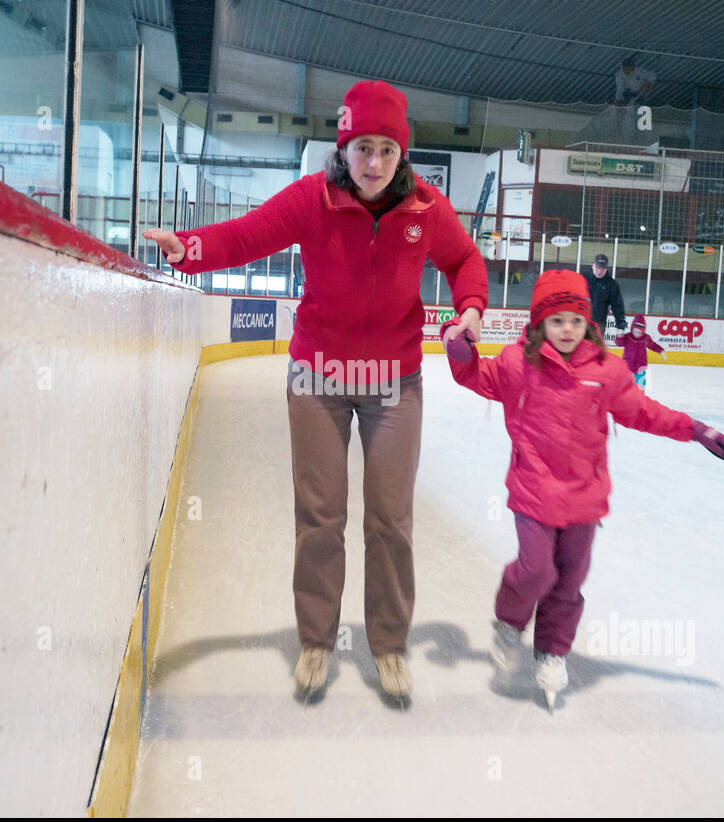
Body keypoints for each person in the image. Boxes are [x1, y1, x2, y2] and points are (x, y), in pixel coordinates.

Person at [143, 79, 488, 703]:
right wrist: (189, 249)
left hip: (393, 383)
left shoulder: (426, 211)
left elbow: (465, 261)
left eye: (387, 149)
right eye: (363, 149)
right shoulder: (314, 199)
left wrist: (470, 309)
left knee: (390, 518)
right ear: (344, 147)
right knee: (321, 517)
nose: (375, 163)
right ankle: (317, 640)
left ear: (402, 153)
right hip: (317, 379)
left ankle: (386, 645)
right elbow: (248, 235)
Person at [439, 270, 724, 708]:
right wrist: (457, 347)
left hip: (585, 499)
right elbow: (475, 376)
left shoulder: (605, 371)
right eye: (556, 321)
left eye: (575, 321)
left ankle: (552, 651)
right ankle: (508, 622)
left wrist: (694, 429)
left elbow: (644, 412)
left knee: (569, 582)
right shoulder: (517, 364)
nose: (567, 330)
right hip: (534, 492)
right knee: (536, 571)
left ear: (587, 323)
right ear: (540, 324)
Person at [614, 314, 665, 391]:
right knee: (626, 386)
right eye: (636, 331)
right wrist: (619, 336)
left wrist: (661, 350)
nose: (637, 334)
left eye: (640, 332)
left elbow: (652, 345)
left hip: (641, 367)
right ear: (632, 328)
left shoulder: (646, 338)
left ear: (643, 331)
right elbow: (619, 343)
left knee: (640, 387)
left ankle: (640, 398)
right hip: (628, 366)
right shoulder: (628, 337)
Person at [585, 254, 627, 332]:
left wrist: (620, 323)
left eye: (602, 268)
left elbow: (617, 306)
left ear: (606, 269)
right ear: (593, 266)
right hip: (581, 321)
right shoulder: (583, 279)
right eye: (597, 268)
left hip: (599, 324)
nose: (599, 271)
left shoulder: (611, 284)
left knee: (596, 344)